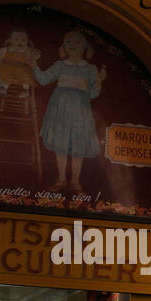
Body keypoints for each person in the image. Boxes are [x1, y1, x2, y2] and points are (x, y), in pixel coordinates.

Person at [33, 29, 106, 192]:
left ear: (85, 47)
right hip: (60, 110)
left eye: (77, 42)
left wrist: (99, 81)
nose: (72, 45)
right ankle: (61, 179)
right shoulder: (60, 65)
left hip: (80, 112)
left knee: (78, 146)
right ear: (63, 47)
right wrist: (33, 64)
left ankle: (75, 181)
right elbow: (43, 79)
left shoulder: (90, 69)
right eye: (68, 42)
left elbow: (93, 94)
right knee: (61, 144)